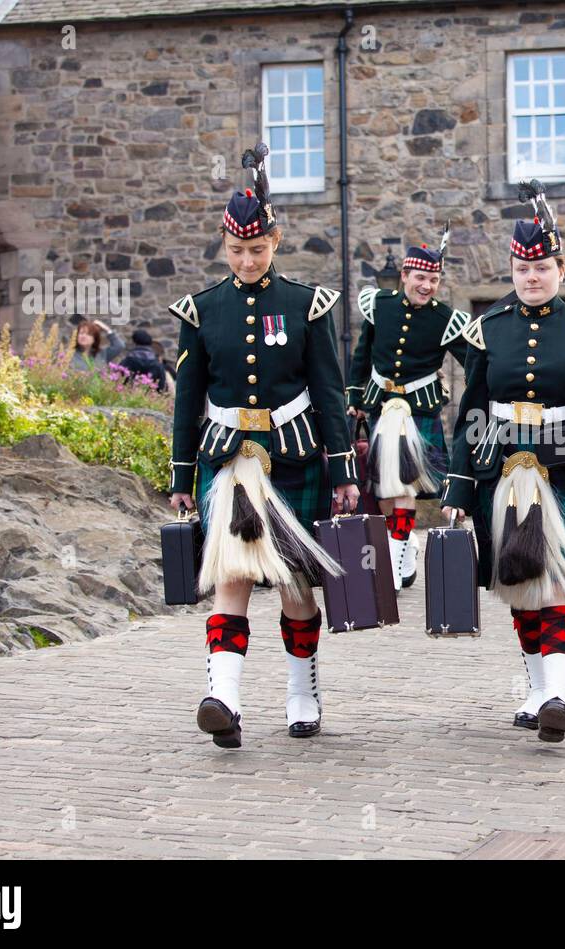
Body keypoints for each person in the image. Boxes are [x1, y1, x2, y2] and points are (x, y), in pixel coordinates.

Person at [167, 142, 359, 748]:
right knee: (232, 577)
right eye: (235, 251)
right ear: (223, 246)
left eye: (256, 250)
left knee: (297, 587)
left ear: (275, 242)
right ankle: (222, 696)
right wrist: (178, 476)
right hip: (225, 457)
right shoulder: (202, 311)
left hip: (294, 455)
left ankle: (302, 691)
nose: (246, 261)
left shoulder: (306, 305)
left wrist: (343, 469)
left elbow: (329, 391)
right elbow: (187, 398)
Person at [440, 181, 565, 744]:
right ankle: (535, 687)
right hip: (502, 468)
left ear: (560, 266)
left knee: (556, 582)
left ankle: (558, 694)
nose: (532, 277)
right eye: (523, 269)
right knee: (521, 584)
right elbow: (472, 408)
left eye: (543, 268)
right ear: (512, 269)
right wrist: (457, 487)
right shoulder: (488, 330)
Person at [345, 228, 470, 589]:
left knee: (402, 489)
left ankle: (396, 564)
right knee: (385, 491)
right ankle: (406, 544)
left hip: (419, 410)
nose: (427, 285)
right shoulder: (379, 306)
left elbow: (471, 362)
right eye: (420, 277)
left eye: (434, 279)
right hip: (380, 407)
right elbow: (362, 355)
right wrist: (354, 398)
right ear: (404, 276)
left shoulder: (445, 318)